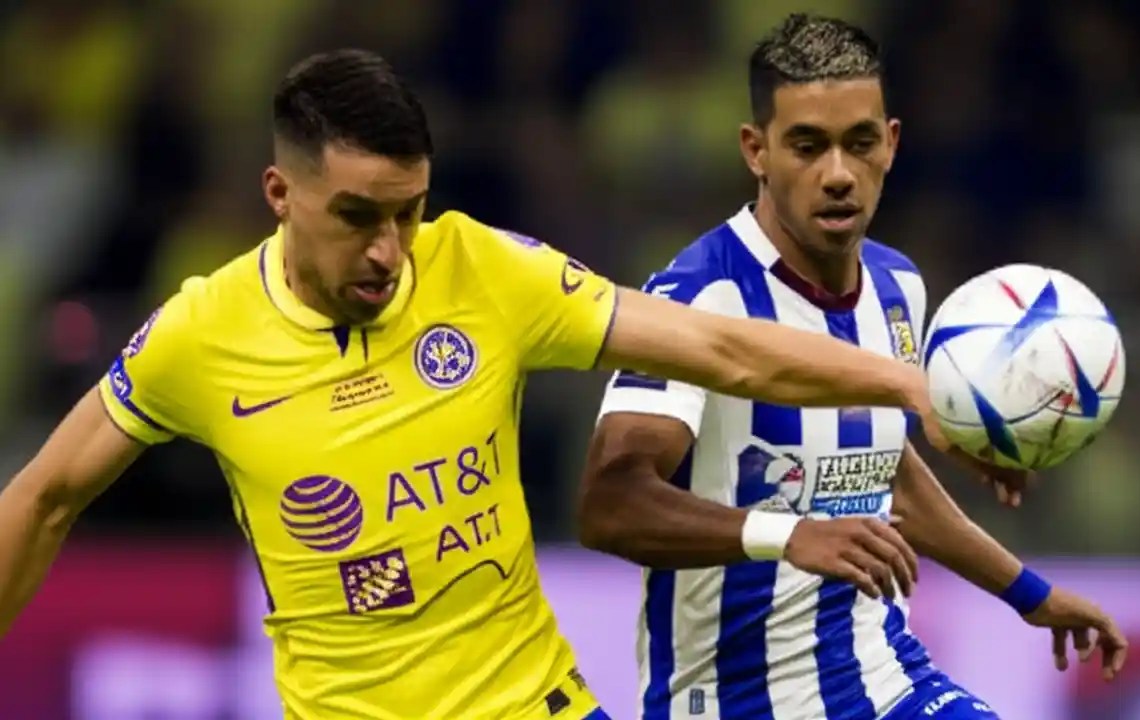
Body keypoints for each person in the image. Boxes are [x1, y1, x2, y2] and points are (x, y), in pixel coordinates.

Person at [0, 49, 965, 720]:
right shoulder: (200, 333)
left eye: (408, 213)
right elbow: (45, 494)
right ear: (278, 195)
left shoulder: (483, 271)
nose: (389, 251)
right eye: (357, 217)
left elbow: (724, 349)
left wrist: (899, 382)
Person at [579, 14, 1128, 720]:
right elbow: (608, 505)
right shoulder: (697, 299)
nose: (838, 174)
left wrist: (1030, 594)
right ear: (757, 151)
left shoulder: (901, 289)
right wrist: (790, 535)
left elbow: (886, 477)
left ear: (891, 144)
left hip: (887, 680)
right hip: (734, 704)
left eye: (859, 143)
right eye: (807, 146)